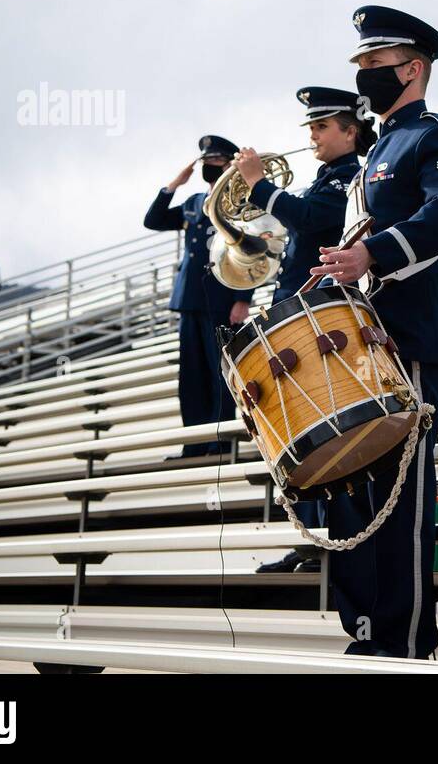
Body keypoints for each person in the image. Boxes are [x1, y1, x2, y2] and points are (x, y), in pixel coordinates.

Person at [308, 5, 438, 659]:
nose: (363, 76)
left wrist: (375, 254)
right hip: (365, 348)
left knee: (400, 504)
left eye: (373, 65)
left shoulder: (433, 133)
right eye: (359, 65)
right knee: (363, 499)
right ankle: (373, 631)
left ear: (411, 68)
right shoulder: (376, 149)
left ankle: (406, 641)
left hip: (411, 344)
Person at [241, 86, 374, 573]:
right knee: (299, 429)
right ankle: (312, 538)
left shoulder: (348, 178)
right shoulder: (326, 176)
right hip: (296, 311)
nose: (313, 136)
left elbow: (313, 218)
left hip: (319, 317)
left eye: (321, 127)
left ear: (350, 132)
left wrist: (259, 184)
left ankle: (328, 541)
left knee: (323, 428)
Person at [144, 135, 254, 457]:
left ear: (230, 164)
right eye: (206, 162)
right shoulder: (193, 202)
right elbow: (153, 221)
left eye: (216, 162)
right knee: (191, 379)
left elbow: (252, 253)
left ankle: (219, 443)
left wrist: (243, 297)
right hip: (190, 300)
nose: (209, 167)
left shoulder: (241, 202)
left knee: (219, 374)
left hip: (222, 299)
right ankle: (194, 445)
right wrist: (173, 185)